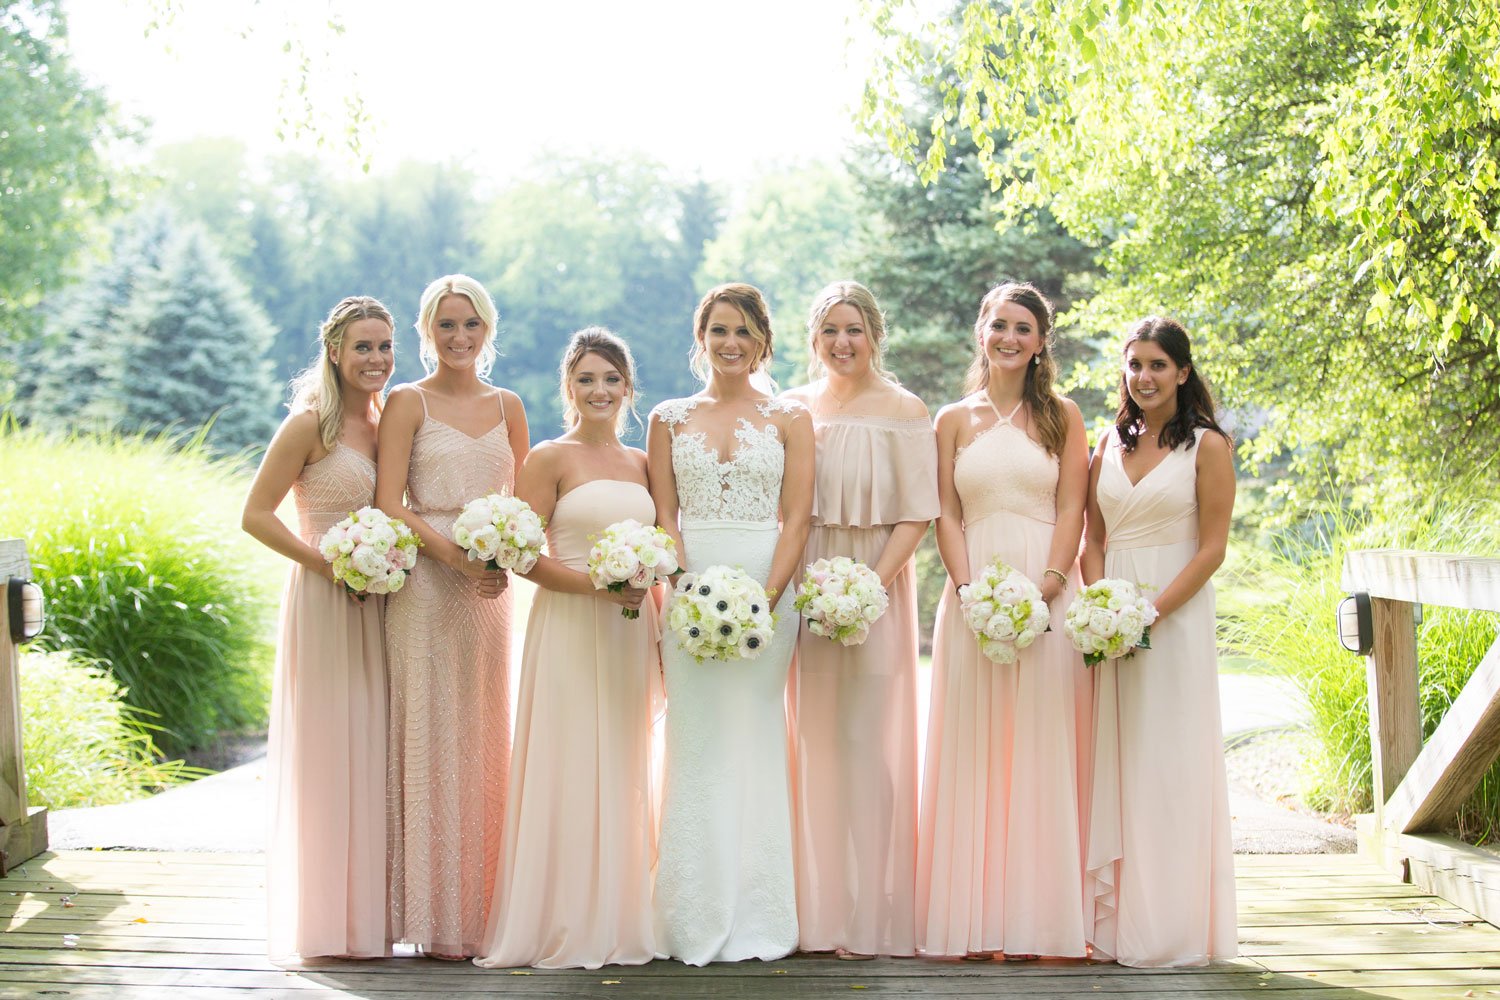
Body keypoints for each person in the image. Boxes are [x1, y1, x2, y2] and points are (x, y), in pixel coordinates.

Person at [474, 327, 660, 970]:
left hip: (630, 630)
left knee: (623, 759)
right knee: (570, 758)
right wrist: (594, 587)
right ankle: (563, 916)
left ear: (628, 388)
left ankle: (619, 910)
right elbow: (519, 554)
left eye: (611, 379)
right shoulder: (549, 458)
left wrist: (643, 593)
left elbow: (662, 549)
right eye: (586, 379)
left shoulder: (641, 464)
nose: (599, 390)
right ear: (569, 387)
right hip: (570, 626)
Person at [917, 281, 1091, 960]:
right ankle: (976, 919)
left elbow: (1074, 506)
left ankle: (1037, 921)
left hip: (1047, 586)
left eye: (1023, 327)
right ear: (980, 333)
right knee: (978, 749)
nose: (1009, 338)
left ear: (1041, 340)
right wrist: (967, 594)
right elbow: (944, 514)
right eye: (998, 325)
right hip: (973, 592)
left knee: (1041, 747)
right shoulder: (953, 419)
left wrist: (1050, 584)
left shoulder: (1063, 415)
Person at [648, 282, 814, 965]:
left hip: (767, 596)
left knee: (752, 738)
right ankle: (689, 911)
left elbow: (797, 516)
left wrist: (768, 599)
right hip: (688, 593)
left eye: (743, 331)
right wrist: (684, 589)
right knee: (696, 743)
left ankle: (758, 910)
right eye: (719, 330)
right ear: (701, 338)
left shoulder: (791, 418)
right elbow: (664, 515)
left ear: (763, 341)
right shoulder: (667, 418)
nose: (731, 343)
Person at [780, 281, 936, 959]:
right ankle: (822, 901)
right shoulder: (791, 409)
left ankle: (875, 900)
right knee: (815, 740)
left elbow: (917, 512)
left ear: (875, 334)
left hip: (876, 581)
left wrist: (869, 585)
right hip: (806, 579)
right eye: (830, 331)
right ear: (813, 339)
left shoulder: (904, 409)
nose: (842, 343)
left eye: (855, 330)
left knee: (863, 741)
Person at [376, 274, 530, 959]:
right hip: (427, 587)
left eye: (471, 325)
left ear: (488, 330)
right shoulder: (408, 401)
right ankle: (428, 919)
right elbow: (389, 501)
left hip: (491, 595)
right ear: (427, 332)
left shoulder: (509, 405)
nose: (460, 337)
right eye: (447, 326)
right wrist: (453, 558)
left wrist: (502, 559)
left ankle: (483, 913)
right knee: (428, 736)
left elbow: (527, 504)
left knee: (483, 734)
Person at [242, 295, 395, 960]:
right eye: (363, 347)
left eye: (386, 347)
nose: (376, 360)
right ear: (334, 350)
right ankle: (327, 923)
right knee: (333, 752)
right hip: (327, 599)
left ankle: (373, 920)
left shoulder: (389, 420)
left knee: (377, 749)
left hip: (383, 600)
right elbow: (256, 514)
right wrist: (329, 565)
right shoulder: (312, 424)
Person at [1082, 316, 1237, 968]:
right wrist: (1102, 608)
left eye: (1156, 365)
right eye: (1134, 365)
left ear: (1181, 371)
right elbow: (1094, 540)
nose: (1143, 377)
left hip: (1172, 624)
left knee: (1169, 764)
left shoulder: (1207, 447)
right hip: (1111, 625)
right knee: (1117, 760)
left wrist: (1148, 613)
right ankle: (1115, 925)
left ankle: (1171, 925)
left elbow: (1212, 549)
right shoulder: (1107, 443)